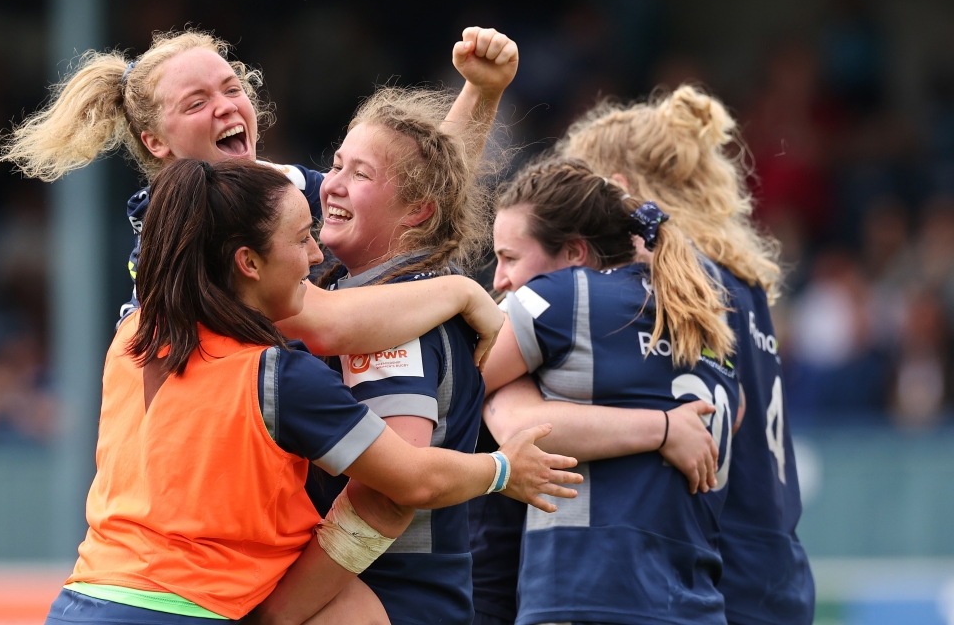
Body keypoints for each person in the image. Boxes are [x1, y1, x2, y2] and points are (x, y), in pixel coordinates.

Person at [44, 158, 582, 625]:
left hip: (80, 600)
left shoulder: (132, 335)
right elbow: (409, 484)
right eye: (301, 238)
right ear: (248, 263)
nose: (317, 256)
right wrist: (504, 469)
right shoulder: (279, 378)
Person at [0, 27, 519, 361]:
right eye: (196, 103)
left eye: (231, 89)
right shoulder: (189, 218)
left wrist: (480, 91)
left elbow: (408, 196)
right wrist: (463, 294)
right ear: (155, 142)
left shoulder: (269, 186)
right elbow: (327, 328)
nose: (225, 107)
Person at [557, 85, 814, 624]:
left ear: (618, 192)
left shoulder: (666, 289)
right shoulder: (743, 285)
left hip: (717, 579)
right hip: (778, 575)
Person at [478, 159, 741, 625]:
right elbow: (734, 415)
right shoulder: (703, 319)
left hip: (588, 593)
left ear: (576, 254)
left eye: (510, 258)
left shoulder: (561, 294)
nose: (500, 280)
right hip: (696, 602)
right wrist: (661, 427)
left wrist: (508, 404)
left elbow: (463, 380)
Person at [298, 86, 501, 625]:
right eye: (336, 164)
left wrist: (285, 608)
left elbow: (390, 490)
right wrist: (482, 91)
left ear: (417, 212)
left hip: (385, 601)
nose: (331, 184)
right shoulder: (392, 295)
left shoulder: (393, 324)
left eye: (359, 175)